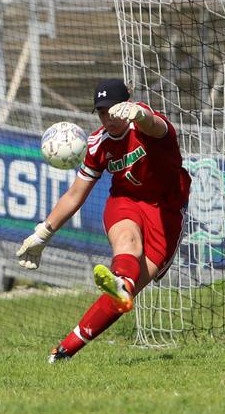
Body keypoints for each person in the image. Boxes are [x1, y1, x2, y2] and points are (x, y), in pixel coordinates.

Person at [16, 78, 191, 363]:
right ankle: (120, 280)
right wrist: (42, 234)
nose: (108, 117)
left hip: (166, 211)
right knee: (127, 247)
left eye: (113, 109)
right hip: (125, 202)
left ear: (127, 105)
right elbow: (75, 195)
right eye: (101, 112)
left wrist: (140, 114)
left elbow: (156, 127)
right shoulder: (98, 143)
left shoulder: (146, 122)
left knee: (123, 297)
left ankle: (64, 351)